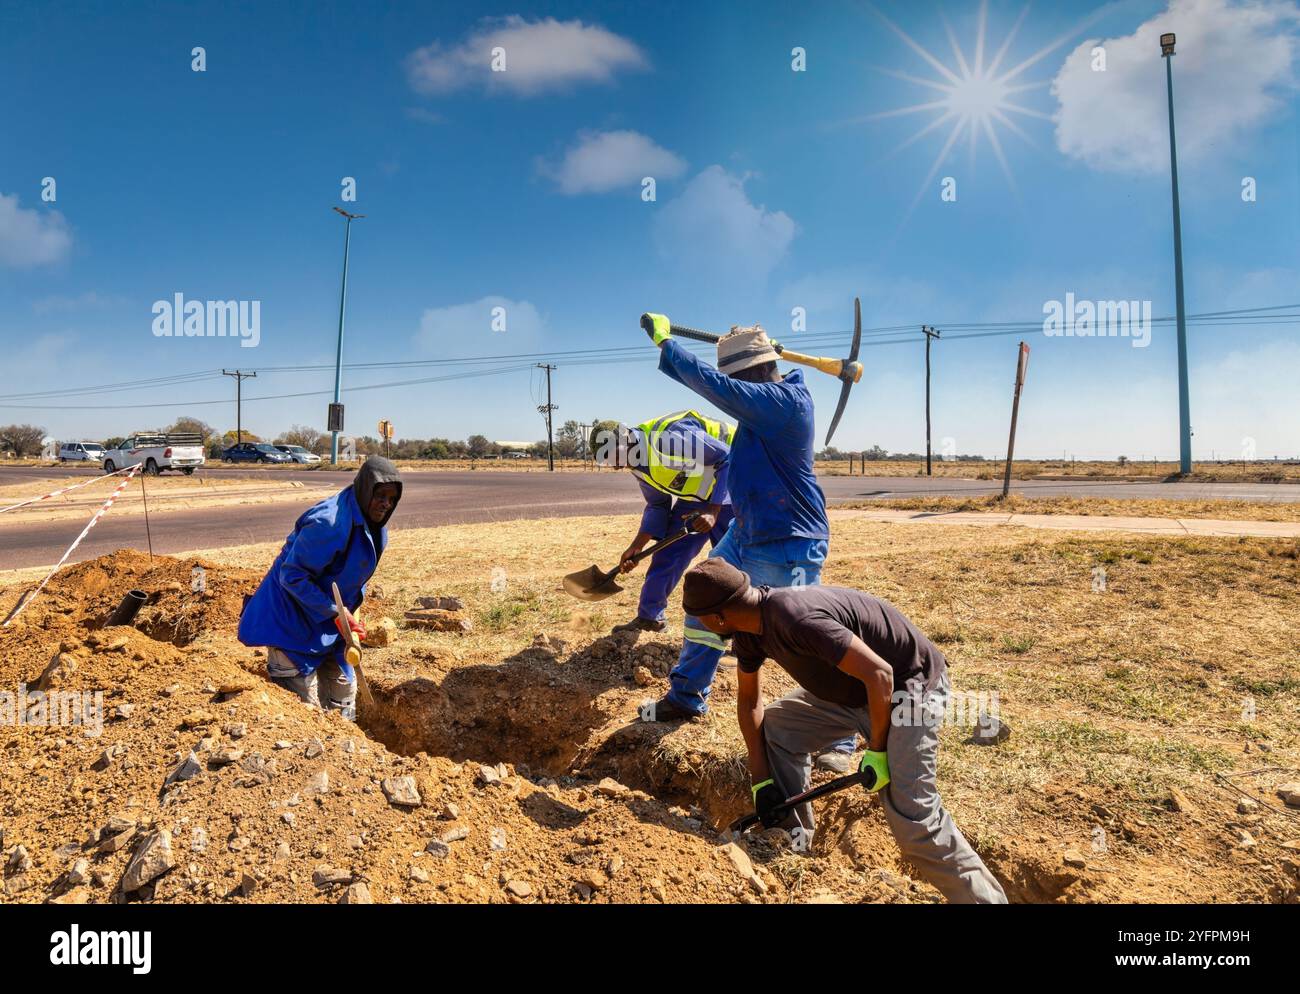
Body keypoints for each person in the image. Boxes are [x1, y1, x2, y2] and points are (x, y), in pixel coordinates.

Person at [681, 558, 1008, 904]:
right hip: (853, 694)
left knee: (914, 819)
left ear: (719, 617)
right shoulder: (749, 630)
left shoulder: (796, 618)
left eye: (698, 618)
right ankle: (792, 844)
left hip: (908, 692)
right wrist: (762, 781)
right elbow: (749, 702)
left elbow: (881, 674)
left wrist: (877, 750)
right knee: (775, 727)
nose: (697, 624)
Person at [640, 313, 855, 770]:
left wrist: (665, 342)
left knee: (801, 635)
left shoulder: (785, 403)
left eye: (735, 378)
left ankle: (841, 734)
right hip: (747, 531)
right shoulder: (768, 402)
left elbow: (714, 387)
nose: (731, 388)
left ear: (752, 375)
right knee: (703, 597)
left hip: (789, 539)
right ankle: (686, 696)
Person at [238, 455, 402, 720]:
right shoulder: (329, 524)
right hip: (290, 621)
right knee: (302, 715)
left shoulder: (375, 528)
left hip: (329, 625)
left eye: (392, 498)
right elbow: (292, 576)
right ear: (365, 489)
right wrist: (335, 612)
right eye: (380, 495)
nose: (386, 504)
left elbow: (354, 578)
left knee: (345, 691)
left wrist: (348, 616)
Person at [590, 412, 735, 633]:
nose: (616, 467)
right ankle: (650, 618)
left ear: (626, 437)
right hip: (695, 498)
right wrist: (636, 546)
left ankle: (746, 632)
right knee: (668, 553)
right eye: (608, 462)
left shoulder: (670, 437)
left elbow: (727, 458)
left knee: (732, 562)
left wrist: (714, 510)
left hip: (731, 489)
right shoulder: (638, 466)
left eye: (613, 457)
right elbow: (658, 505)